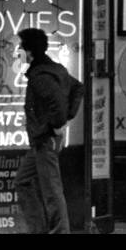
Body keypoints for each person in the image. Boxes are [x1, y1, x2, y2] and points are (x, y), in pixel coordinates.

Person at [14, 27, 84, 234]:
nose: (18, 50)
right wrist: (61, 121)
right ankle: (40, 229)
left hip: (45, 140)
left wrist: (55, 125)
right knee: (23, 181)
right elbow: (77, 87)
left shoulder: (41, 76)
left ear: (30, 51)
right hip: (42, 140)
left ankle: (58, 231)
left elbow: (58, 110)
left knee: (52, 190)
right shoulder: (53, 69)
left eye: (21, 47)